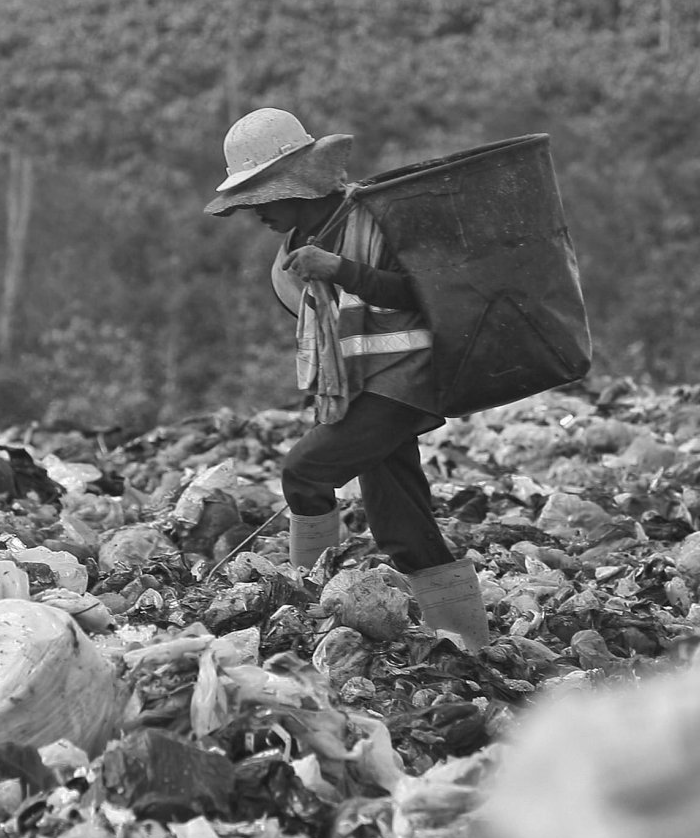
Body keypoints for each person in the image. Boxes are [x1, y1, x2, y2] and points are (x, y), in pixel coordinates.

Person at [204, 107, 491, 652]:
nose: (254, 213)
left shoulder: (373, 217)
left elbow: (419, 291)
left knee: (305, 471)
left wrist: (341, 270)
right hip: (366, 388)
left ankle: (305, 598)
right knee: (401, 523)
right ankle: (469, 644)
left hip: (402, 380)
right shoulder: (296, 250)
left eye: (260, 196)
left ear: (292, 184)